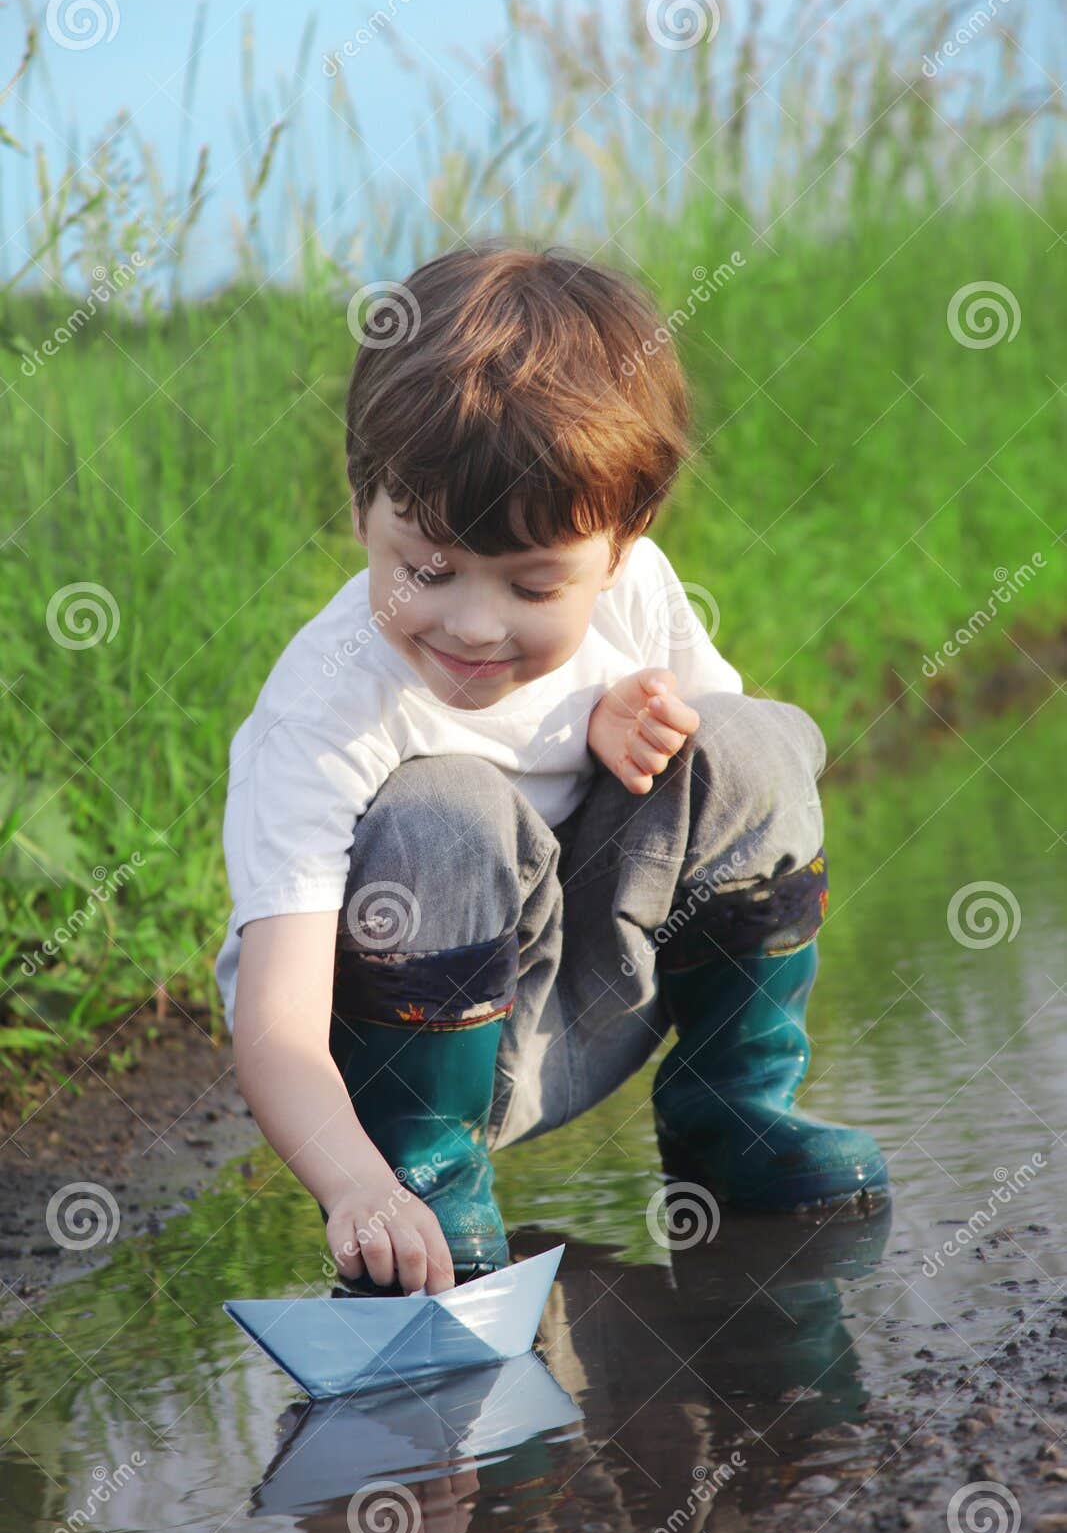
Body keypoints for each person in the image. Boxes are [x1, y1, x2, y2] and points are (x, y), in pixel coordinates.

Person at [214, 239, 888, 1300]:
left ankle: (733, 1115)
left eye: (532, 588)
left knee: (753, 736)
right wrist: (355, 1184)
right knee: (445, 806)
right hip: (387, 1061)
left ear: (620, 544)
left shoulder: (633, 587)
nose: (474, 626)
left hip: (588, 1000)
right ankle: (425, 1181)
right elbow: (278, 1024)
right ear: (361, 509)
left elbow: (736, 798)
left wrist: (648, 721)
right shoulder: (324, 710)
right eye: (427, 570)